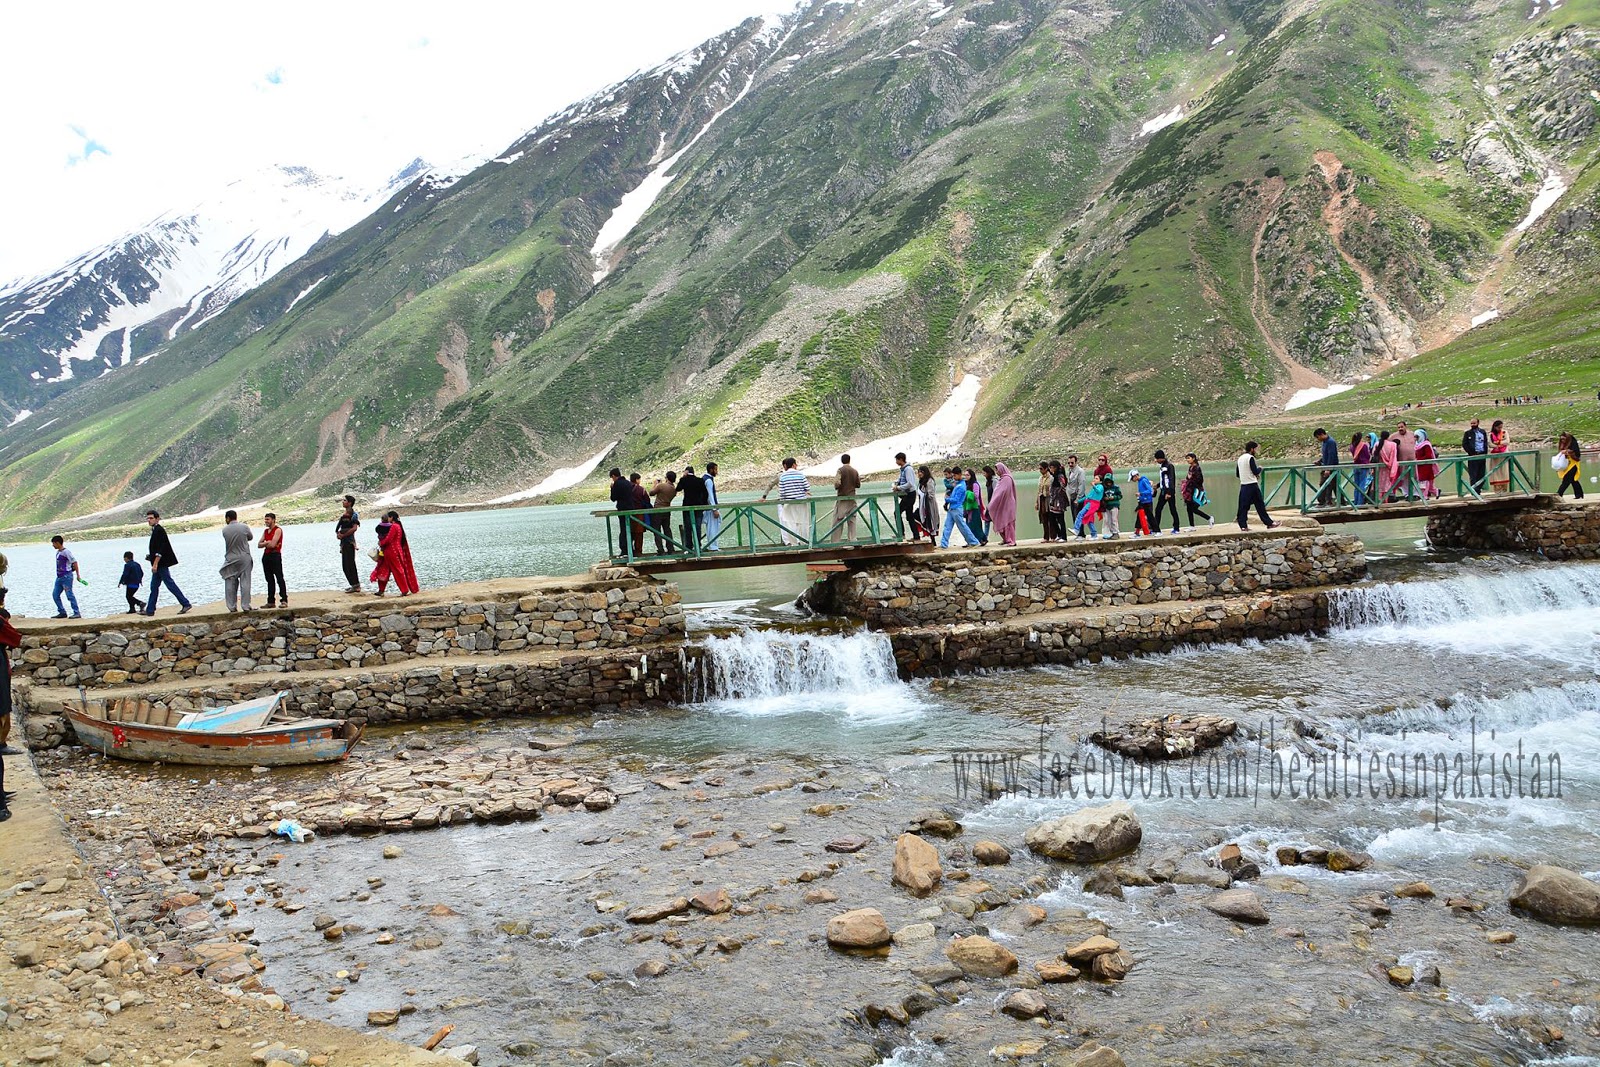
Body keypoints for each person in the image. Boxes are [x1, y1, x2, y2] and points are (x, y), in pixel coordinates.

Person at [143, 510, 192, 615]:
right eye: (148, 518)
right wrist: (151, 557)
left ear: (157, 519)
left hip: (161, 564)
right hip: (159, 563)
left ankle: (185, 603)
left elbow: (161, 549)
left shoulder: (159, 530)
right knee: (154, 587)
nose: (149, 520)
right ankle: (150, 610)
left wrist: (155, 563)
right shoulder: (155, 530)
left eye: (151, 518)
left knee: (169, 584)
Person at [761, 458, 812, 545]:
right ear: (793, 465)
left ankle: (792, 543)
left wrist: (783, 500)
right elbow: (807, 487)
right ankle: (804, 542)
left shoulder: (782, 476)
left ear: (785, 466)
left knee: (789, 524)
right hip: (801, 502)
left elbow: (782, 492)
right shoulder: (800, 474)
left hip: (788, 503)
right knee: (802, 522)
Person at [372, 510, 420, 595]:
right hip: (396, 550)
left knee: (396, 570)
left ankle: (404, 590)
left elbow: (388, 539)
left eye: (388, 517)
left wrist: (381, 543)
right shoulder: (398, 526)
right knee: (385, 570)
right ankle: (382, 590)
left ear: (391, 518)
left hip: (391, 551)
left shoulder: (394, 526)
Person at [1235, 442, 1278, 530]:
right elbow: (1255, 471)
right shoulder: (1250, 458)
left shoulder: (1240, 458)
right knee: (1260, 505)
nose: (1256, 451)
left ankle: (1243, 526)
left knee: (1243, 506)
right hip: (1252, 485)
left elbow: (1237, 474)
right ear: (1252, 449)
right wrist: (1260, 468)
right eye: (1255, 449)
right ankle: (1269, 523)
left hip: (1244, 485)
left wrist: (1246, 476)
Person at [219, 510, 254, 612]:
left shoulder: (225, 530)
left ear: (228, 518)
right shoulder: (244, 527)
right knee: (245, 581)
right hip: (244, 557)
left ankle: (231, 606)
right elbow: (250, 537)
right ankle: (245, 605)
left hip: (231, 558)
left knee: (230, 581)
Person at [940, 470, 980, 548]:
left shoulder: (961, 486)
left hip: (957, 509)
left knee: (962, 526)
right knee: (947, 526)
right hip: (952, 508)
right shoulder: (958, 484)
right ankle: (943, 544)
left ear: (959, 475)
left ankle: (974, 541)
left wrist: (947, 499)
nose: (954, 477)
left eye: (955, 476)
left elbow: (956, 499)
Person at [49, 535, 83, 619]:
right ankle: (62, 612)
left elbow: (74, 562)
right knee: (55, 595)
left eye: (53, 543)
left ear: (58, 543)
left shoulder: (66, 552)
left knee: (69, 595)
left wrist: (78, 575)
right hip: (59, 577)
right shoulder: (58, 552)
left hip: (66, 577)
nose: (53, 545)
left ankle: (76, 613)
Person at [829, 454, 862, 542]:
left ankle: (835, 541)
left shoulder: (840, 470)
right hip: (852, 498)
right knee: (852, 520)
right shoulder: (854, 471)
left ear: (841, 461)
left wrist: (838, 487)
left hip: (842, 498)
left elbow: (837, 483)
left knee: (838, 520)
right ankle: (852, 539)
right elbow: (858, 484)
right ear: (849, 460)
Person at [679, 464, 711, 552]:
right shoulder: (700, 480)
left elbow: (678, 488)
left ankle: (689, 547)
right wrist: (703, 504)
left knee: (688, 527)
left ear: (686, 472)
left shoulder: (684, 480)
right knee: (697, 527)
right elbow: (705, 493)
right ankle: (698, 546)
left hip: (687, 506)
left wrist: (683, 477)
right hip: (698, 506)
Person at [258, 513, 287, 608]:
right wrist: (267, 542)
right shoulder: (266, 531)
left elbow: (273, 545)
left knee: (279, 578)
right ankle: (271, 601)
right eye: (265, 519)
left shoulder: (278, 530)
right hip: (266, 556)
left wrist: (265, 543)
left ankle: (284, 600)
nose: (266, 521)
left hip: (275, 555)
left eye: (268, 519)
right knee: (269, 579)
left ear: (273, 520)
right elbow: (259, 544)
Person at [608, 467, 638, 556]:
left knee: (623, 530)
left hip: (622, 509)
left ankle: (624, 550)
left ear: (614, 476)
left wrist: (612, 488)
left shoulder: (617, 484)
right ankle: (631, 549)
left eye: (612, 477)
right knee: (630, 529)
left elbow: (613, 498)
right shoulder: (628, 483)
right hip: (631, 508)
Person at [335, 495, 361, 593]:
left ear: (349, 503)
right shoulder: (344, 515)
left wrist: (343, 535)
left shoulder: (354, 515)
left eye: (345, 500)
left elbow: (354, 528)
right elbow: (339, 528)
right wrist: (338, 534)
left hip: (349, 542)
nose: (343, 502)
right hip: (344, 543)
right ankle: (353, 585)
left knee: (350, 564)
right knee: (345, 565)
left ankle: (356, 585)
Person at [988, 462, 1019, 546]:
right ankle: (1005, 539)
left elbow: (1003, 491)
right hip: (1003, 504)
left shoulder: (1007, 478)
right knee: (1002, 520)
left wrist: (994, 501)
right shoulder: (1002, 479)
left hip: (1008, 504)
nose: (996, 472)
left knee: (1008, 522)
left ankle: (1011, 540)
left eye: (997, 470)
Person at [892, 453, 920, 542]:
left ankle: (901, 534)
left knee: (897, 513)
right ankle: (916, 536)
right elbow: (902, 479)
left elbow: (910, 483)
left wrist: (898, 488)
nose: (896, 462)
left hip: (909, 495)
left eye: (897, 460)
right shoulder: (903, 469)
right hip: (907, 495)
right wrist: (896, 483)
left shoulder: (908, 469)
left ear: (901, 459)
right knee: (909, 516)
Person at [1181, 453, 1214, 528]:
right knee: (1189, 508)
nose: (1187, 460)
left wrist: (1191, 482)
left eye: (1188, 458)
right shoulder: (1191, 467)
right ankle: (1192, 526)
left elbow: (1200, 480)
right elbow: (1188, 477)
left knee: (1193, 508)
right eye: (1186, 458)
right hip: (1190, 491)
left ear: (1193, 458)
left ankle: (1209, 518)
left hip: (1196, 491)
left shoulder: (1197, 468)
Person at [1152, 450, 1181, 533]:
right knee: (1158, 509)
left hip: (1169, 492)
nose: (1156, 461)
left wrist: (1169, 493)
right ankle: (1156, 528)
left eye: (1157, 459)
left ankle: (1176, 528)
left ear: (1161, 458)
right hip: (1163, 491)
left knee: (1172, 509)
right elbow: (1164, 480)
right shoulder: (1162, 466)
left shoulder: (1169, 466)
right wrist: (1157, 485)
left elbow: (1171, 480)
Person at [1313, 428, 1343, 507]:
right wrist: (1320, 461)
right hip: (1327, 466)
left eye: (1318, 437)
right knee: (1333, 485)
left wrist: (1328, 469)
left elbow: (1331, 455)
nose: (1318, 439)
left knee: (1325, 484)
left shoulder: (1330, 442)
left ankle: (1324, 502)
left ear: (1322, 434)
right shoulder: (1325, 442)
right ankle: (1339, 501)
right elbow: (1326, 455)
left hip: (1331, 468)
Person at [651, 472, 679, 554]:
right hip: (667, 510)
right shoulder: (673, 489)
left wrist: (655, 485)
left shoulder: (661, 486)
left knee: (657, 530)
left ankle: (660, 550)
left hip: (658, 509)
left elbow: (651, 493)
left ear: (667, 478)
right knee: (667, 530)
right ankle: (670, 548)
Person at [1462, 418, 1489, 494]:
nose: (1472, 425)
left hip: (1482, 455)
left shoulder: (1482, 432)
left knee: (1481, 474)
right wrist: (1471, 453)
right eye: (1471, 423)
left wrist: (1485, 452)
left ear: (1478, 423)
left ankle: (1478, 489)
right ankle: (1474, 491)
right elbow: (1464, 444)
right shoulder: (1468, 433)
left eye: (1474, 423)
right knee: (1473, 474)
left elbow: (1485, 442)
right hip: (1473, 456)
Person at [629, 473, 652, 557]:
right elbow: (647, 500)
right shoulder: (641, 489)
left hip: (628, 513)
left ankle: (629, 551)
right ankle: (638, 551)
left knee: (629, 532)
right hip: (639, 513)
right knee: (639, 533)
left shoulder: (626, 489)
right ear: (636, 480)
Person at [1046, 460, 1069, 542]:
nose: (1050, 469)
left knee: (1060, 519)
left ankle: (1064, 536)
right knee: (1052, 518)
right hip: (1053, 499)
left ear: (1055, 468)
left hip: (1059, 500)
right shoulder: (1053, 476)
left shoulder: (1060, 476)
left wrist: (1056, 493)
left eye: (1052, 467)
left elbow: (1063, 486)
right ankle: (1059, 534)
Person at [915, 465, 941, 540]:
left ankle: (933, 541)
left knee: (930, 522)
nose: (919, 473)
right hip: (923, 506)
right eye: (919, 472)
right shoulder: (921, 482)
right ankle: (919, 536)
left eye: (921, 472)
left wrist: (925, 495)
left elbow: (931, 495)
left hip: (930, 506)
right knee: (915, 517)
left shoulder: (930, 481)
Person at [1394, 421, 1417, 500]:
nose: (1400, 429)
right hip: (1402, 461)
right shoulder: (1393, 436)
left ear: (1405, 426)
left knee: (1415, 477)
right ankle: (1407, 494)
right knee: (1404, 478)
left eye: (1401, 427)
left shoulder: (1412, 434)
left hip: (1413, 460)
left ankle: (1416, 494)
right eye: (1398, 427)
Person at [964, 468, 987, 546]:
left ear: (971, 476)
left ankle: (982, 539)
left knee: (976, 524)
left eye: (968, 475)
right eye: (965, 475)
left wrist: (967, 493)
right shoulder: (965, 484)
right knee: (968, 525)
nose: (966, 477)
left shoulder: (975, 484)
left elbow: (976, 495)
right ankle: (971, 541)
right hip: (967, 508)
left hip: (974, 507)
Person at [703, 463, 722, 551]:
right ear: (711, 470)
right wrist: (714, 509)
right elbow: (710, 496)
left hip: (707, 507)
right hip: (710, 508)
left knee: (712, 526)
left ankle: (712, 546)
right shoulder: (708, 481)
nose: (716, 472)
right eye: (715, 469)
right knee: (712, 527)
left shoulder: (705, 478)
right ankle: (713, 547)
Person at [1350, 433, 1373, 506]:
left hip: (1356, 466)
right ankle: (1360, 502)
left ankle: (1356, 501)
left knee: (1356, 485)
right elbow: (1367, 455)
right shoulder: (1363, 445)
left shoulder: (1352, 446)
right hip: (1363, 466)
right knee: (1362, 484)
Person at [1557, 433, 1584, 498]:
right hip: (1566, 464)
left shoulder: (1573, 444)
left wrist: (1567, 452)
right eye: (1561, 439)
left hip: (1573, 464)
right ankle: (1579, 494)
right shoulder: (1563, 444)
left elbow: (1576, 453)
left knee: (1566, 480)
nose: (1562, 441)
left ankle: (1559, 494)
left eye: (1564, 439)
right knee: (1573, 480)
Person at [1064, 456, 1087, 529]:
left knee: (1079, 516)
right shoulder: (1069, 471)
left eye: (1072, 463)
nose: (1070, 464)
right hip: (1072, 496)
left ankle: (1081, 533)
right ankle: (1076, 532)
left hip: (1078, 497)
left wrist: (1078, 498)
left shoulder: (1080, 471)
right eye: (1069, 463)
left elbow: (1082, 485)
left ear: (1076, 462)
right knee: (1074, 516)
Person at [1414, 430, 1439, 499]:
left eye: (1417, 437)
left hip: (1426, 466)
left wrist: (1419, 459)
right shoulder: (1417, 445)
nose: (1415, 438)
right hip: (1419, 466)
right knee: (1423, 481)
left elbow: (1428, 455)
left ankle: (1424, 496)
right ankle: (1436, 492)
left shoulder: (1426, 445)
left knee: (1425, 481)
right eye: (1415, 437)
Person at [1129, 469, 1154, 536]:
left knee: (1148, 516)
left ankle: (1151, 530)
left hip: (1147, 501)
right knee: (1140, 516)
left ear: (1135, 476)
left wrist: (1141, 493)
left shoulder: (1143, 480)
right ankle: (1138, 532)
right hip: (1143, 501)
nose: (1132, 480)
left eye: (1132, 478)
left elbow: (1150, 491)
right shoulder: (1140, 481)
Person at [1377, 431, 1399, 502]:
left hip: (1379, 469)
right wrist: (1391, 465)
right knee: (1387, 485)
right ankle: (1385, 501)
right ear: (1388, 436)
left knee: (1379, 485)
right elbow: (1394, 457)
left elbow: (1374, 454)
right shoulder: (1393, 445)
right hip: (1389, 468)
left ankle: (1379, 501)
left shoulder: (1377, 444)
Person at [1099, 472, 1122, 539]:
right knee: (1108, 520)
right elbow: (1102, 497)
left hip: (1114, 505)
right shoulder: (1104, 489)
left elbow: (1120, 496)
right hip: (1107, 506)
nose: (1108, 483)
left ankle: (1116, 532)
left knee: (1114, 519)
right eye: (1107, 481)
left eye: (1109, 481)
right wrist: (1105, 498)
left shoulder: (1116, 488)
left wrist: (1114, 497)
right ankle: (1111, 533)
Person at [1489, 420, 1510, 492]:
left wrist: (1499, 442)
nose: (1500, 429)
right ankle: (1497, 490)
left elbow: (1507, 441)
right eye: (1498, 427)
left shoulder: (1504, 432)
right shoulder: (1491, 434)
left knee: (1504, 471)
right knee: (1496, 472)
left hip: (1504, 454)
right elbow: (1490, 444)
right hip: (1495, 456)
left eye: (1501, 427)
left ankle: (1504, 489)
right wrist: (1497, 446)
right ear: (1495, 427)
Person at [1036, 462, 1054, 541]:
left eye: (1041, 469)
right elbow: (1039, 491)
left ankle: (1053, 536)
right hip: (1042, 500)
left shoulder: (1051, 478)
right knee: (1044, 519)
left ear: (1046, 469)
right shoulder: (1040, 478)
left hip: (1049, 499)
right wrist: (1037, 502)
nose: (1040, 470)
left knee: (1051, 518)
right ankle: (1046, 537)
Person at [980, 466, 997, 544]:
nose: (983, 475)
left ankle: (1006, 537)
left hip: (994, 505)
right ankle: (985, 538)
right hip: (990, 505)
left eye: (984, 473)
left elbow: (996, 493)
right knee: (986, 521)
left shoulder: (994, 481)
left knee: (997, 522)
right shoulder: (989, 481)